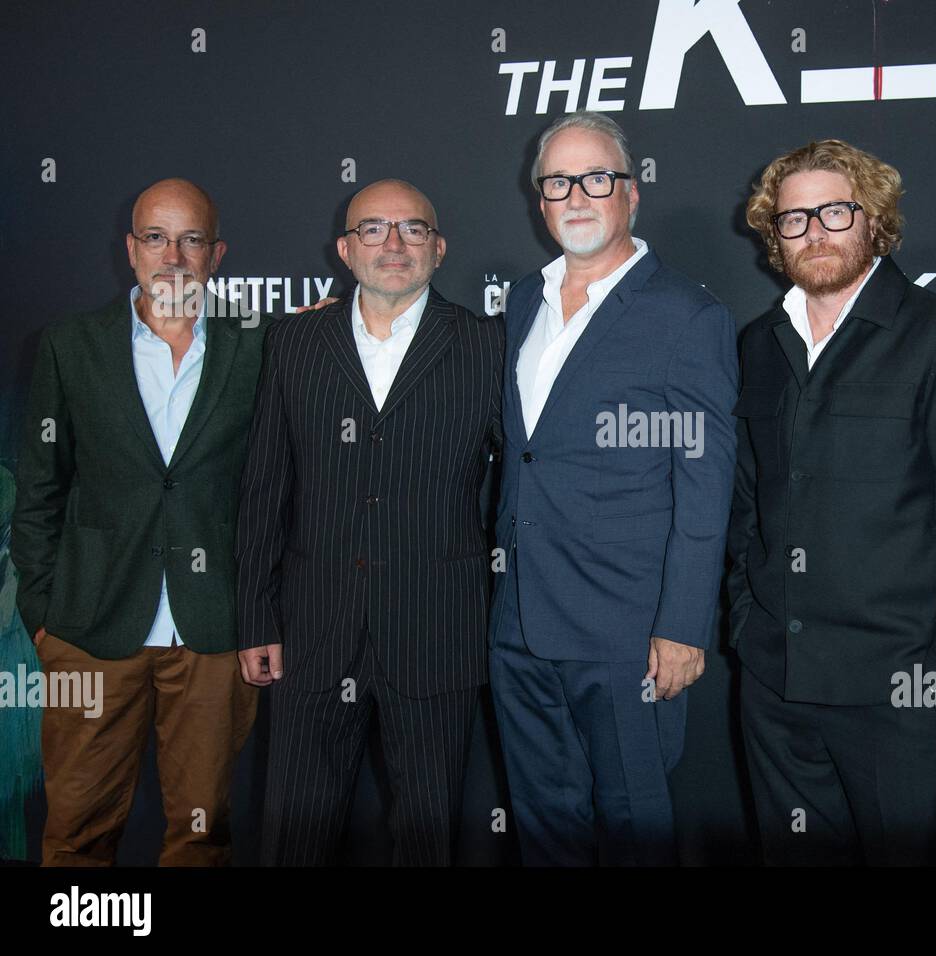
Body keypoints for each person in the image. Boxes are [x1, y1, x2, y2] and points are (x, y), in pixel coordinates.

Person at [728, 140, 936, 865]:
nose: (814, 231)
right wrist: (746, 622)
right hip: (775, 681)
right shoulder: (758, 345)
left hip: (901, 688)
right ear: (772, 234)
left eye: (834, 211)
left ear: (874, 220)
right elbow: (743, 504)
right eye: (793, 219)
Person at [489, 111, 737, 865]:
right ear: (541, 201)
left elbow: (705, 481)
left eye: (596, 177)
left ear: (631, 194)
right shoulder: (523, 305)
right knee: (544, 828)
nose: (576, 195)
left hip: (628, 633)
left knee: (635, 828)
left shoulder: (687, 315)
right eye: (558, 181)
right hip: (519, 623)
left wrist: (684, 624)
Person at [236, 179, 502, 865]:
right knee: (292, 838)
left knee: (428, 839)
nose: (393, 244)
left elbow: (518, 486)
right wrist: (256, 618)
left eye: (412, 229)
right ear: (344, 249)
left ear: (438, 249)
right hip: (312, 631)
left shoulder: (487, 345)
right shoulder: (293, 341)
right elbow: (267, 486)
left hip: (437, 633)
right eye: (374, 229)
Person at [13, 178, 263, 865]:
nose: (173, 256)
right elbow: (40, 490)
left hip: (213, 631)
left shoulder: (260, 343)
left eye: (191, 240)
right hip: (89, 630)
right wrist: (43, 613)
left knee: (202, 836)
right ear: (131, 249)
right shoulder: (71, 345)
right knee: (77, 831)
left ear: (217, 254)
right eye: (156, 237)